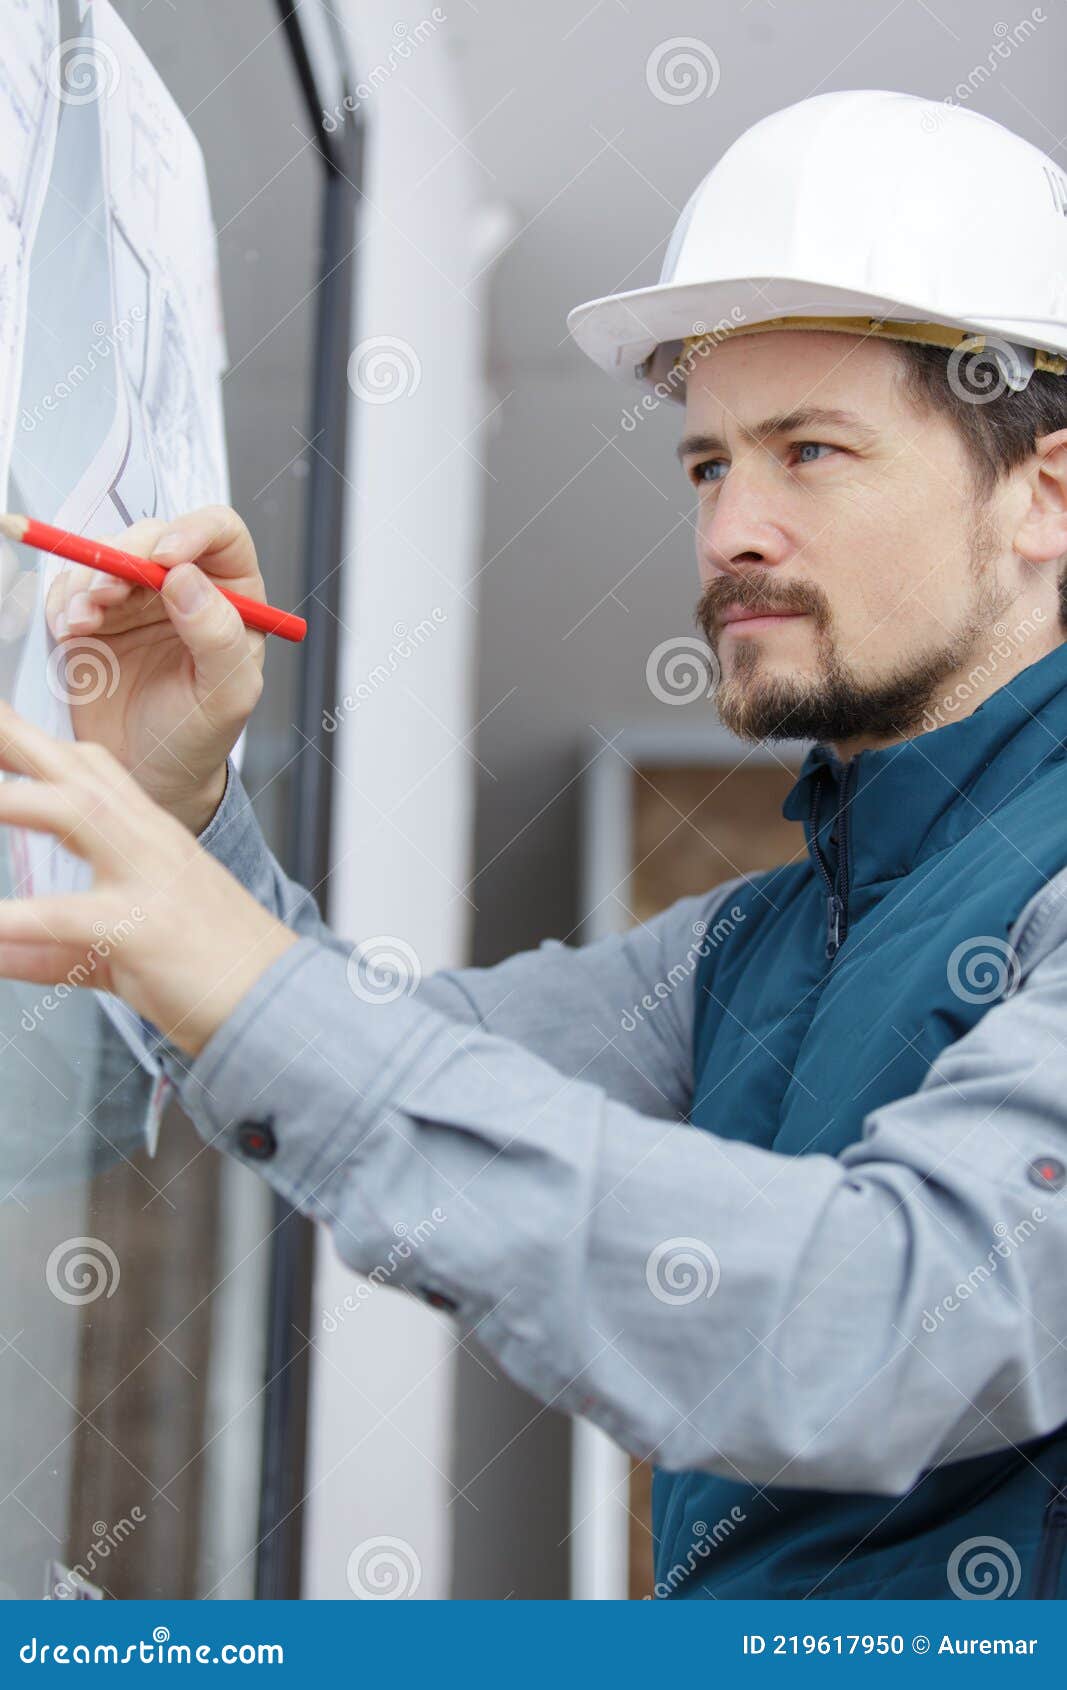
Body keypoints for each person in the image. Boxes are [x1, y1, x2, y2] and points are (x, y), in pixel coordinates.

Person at [4, 87, 1067, 1600]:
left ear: (1047, 493)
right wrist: (189, 814)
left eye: (810, 451)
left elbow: (878, 1326)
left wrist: (242, 981)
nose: (727, 532)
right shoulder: (751, 945)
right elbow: (378, 1059)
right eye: (708, 465)